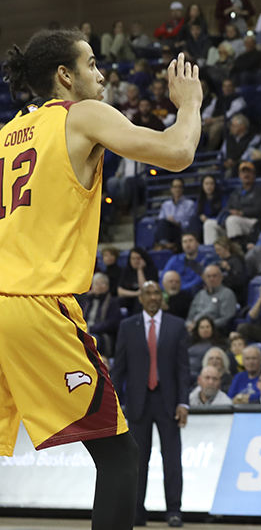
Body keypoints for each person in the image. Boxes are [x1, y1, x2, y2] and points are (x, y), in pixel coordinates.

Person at [0, 30, 202, 529]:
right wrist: (190, 104)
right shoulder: (80, 114)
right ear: (65, 76)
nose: (102, 73)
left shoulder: (6, 135)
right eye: (92, 64)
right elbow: (176, 153)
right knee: (119, 454)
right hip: (35, 303)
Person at [111, 281, 191, 528]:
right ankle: (136, 511)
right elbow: (120, 369)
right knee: (137, 460)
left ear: (161, 297)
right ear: (141, 298)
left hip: (168, 402)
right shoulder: (127, 326)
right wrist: (113, 404)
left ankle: (174, 510)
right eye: (148, 293)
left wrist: (183, 403)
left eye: (157, 292)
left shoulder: (177, 325)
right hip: (138, 404)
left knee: (172, 458)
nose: (153, 297)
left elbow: (183, 368)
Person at [79, 272, 122, 353]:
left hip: (101, 335)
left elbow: (113, 323)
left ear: (107, 285)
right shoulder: (87, 301)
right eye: (96, 284)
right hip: (84, 331)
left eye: (102, 283)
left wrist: (91, 329)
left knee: (88, 340)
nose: (99, 286)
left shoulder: (113, 302)